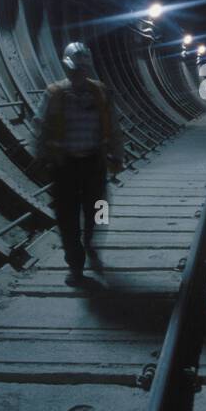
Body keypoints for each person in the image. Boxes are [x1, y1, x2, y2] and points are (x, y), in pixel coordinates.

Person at [36, 42, 125, 285]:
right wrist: (41, 158)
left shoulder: (101, 92)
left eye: (82, 69)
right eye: (75, 69)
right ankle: (75, 266)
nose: (79, 74)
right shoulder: (54, 94)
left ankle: (91, 244)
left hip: (94, 163)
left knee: (98, 211)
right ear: (67, 68)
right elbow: (40, 127)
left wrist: (118, 155)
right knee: (67, 218)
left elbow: (114, 127)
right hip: (64, 166)